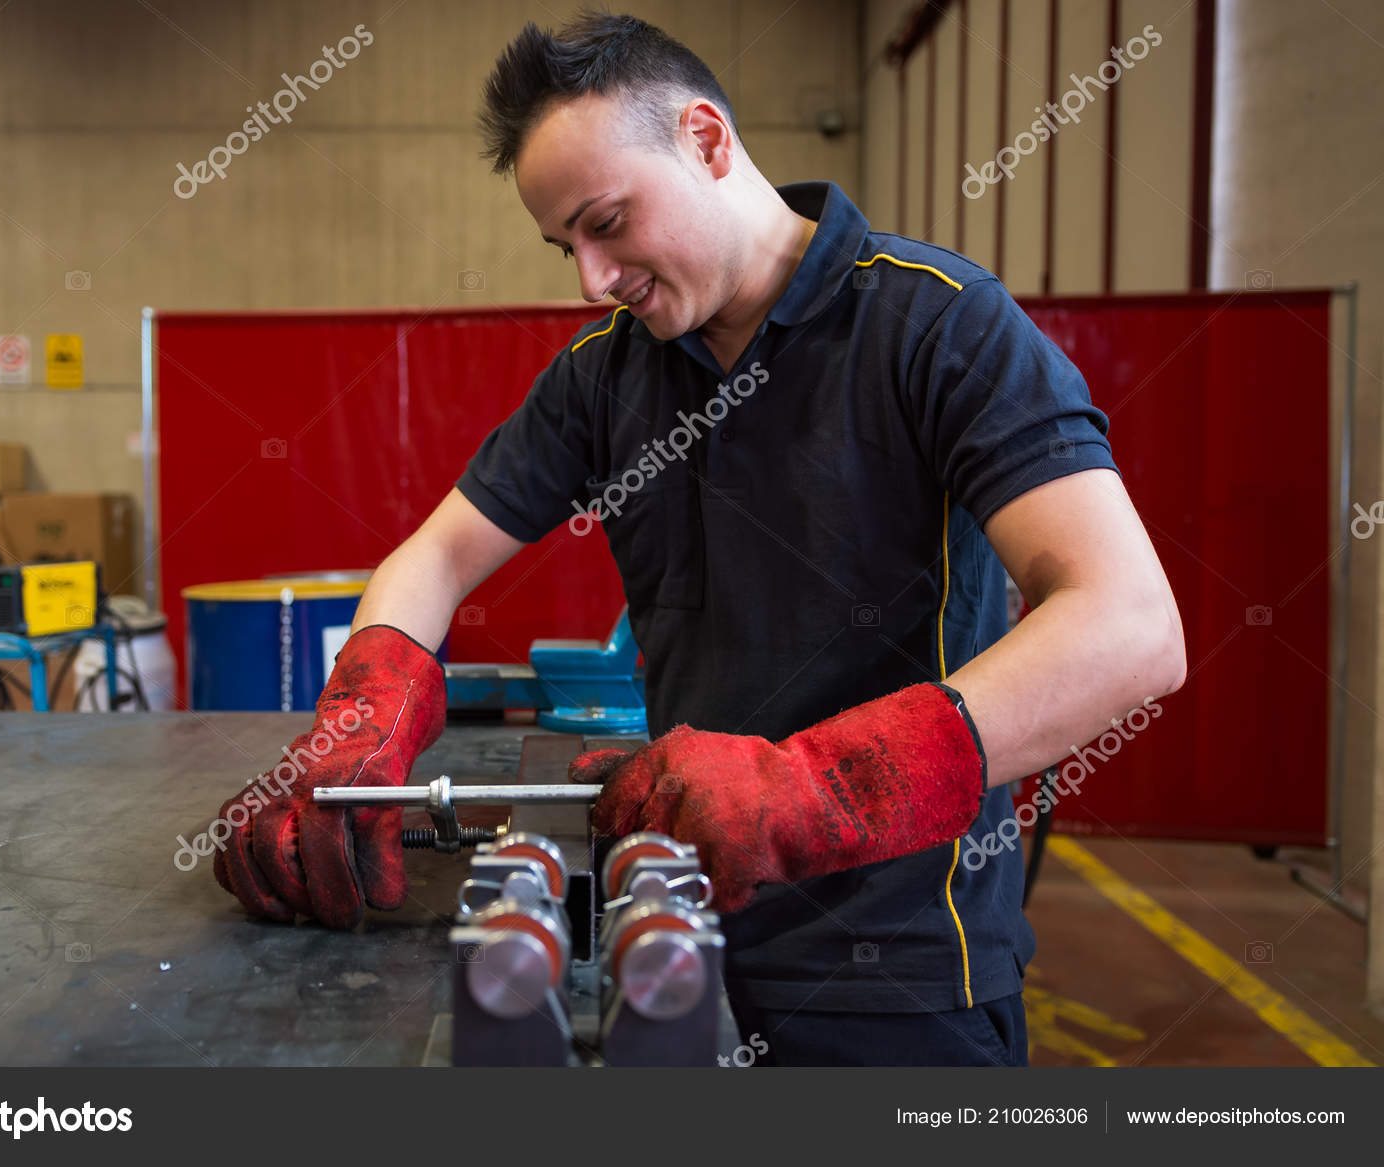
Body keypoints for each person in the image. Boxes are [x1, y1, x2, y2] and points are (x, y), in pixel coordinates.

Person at [211, 12, 1186, 1067]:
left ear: (707, 140)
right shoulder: (605, 373)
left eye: (607, 223)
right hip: (673, 938)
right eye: (567, 247)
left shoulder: (938, 325)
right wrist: (364, 719)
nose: (591, 279)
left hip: (896, 977)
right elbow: (436, 556)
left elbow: (1130, 628)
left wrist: (809, 789)